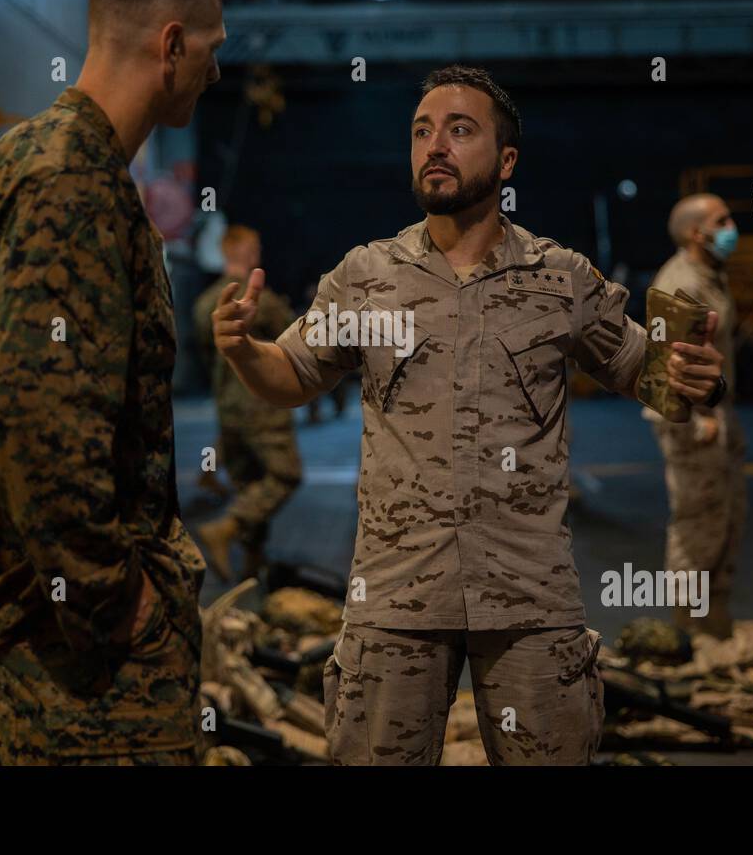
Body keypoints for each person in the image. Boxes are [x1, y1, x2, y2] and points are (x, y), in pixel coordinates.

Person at [210, 65, 725, 765]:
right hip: (396, 596)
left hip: (529, 600)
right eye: (422, 131)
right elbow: (292, 374)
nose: (436, 146)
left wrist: (693, 377)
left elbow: (646, 372)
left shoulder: (560, 278)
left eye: (459, 130)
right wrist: (243, 350)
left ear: (506, 159)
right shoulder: (367, 276)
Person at [0, 0, 229, 765]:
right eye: (211, 50)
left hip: (25, 620)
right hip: (69, 646)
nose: (215, 73)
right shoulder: (73, 179)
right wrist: (114, 603)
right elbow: (29, 406)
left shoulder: (24, 153)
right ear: (170, 45)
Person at [644, 193, 746, 639]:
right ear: (694, 232)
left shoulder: (710, 274)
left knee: (725, 520)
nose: (730, 227)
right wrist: (694, 420)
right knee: (697, 526)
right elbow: (663, 369)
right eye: (721, 220)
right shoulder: (681, 284)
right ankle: (689, 635)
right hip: (694, 422)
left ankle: (715, 627)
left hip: (717, 415)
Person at [192, 225, 302, 581]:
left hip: (228, 409)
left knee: (247, 482)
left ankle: (253, 569)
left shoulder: (205, 305)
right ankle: (227, 528)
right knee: (286, 475)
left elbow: (207, 357)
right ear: (251, 253)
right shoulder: (262, 303)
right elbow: (295, 340)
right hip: (261, 406)